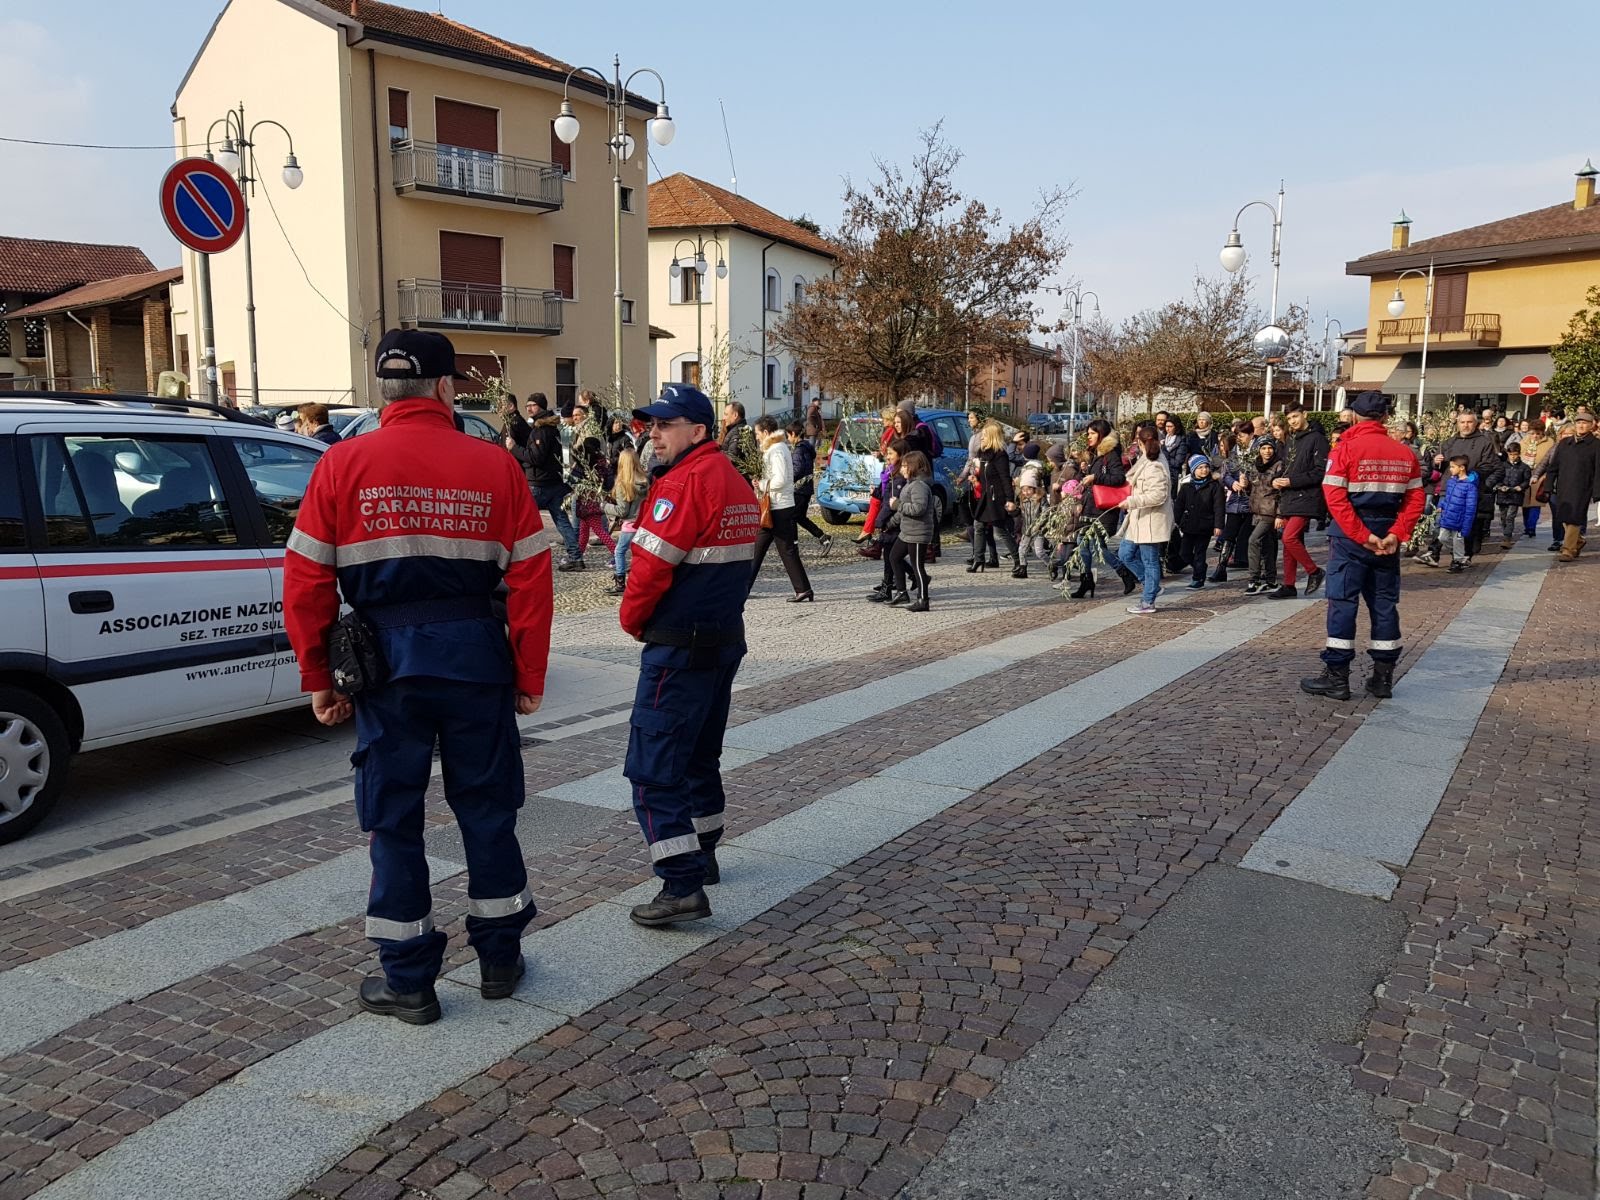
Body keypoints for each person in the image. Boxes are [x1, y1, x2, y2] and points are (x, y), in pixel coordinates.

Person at [283, 329, 553, 1024]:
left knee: (394, 821)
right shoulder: (494, 464)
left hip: (384, 667)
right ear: (444, 388)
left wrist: (319, 675)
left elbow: (306, 580)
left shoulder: (341, 464)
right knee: (488, 808)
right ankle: (499, 959)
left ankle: (408, 980)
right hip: (475, 660)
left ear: (384, 390)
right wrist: (529, 673)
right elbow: (530, 579)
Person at [619, 383, 760, 927]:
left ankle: (681, 884)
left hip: (677, 647)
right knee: (701, 756)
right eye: (651, 425)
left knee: (653, 770)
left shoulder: (681, 484)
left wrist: (633, 621)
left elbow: (649, 569)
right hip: (723, 639)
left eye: (664, 425)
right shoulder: (734, 482)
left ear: (698, 431)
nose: (652, 435)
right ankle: (704, 855)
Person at [1300, 391, 1424, 702]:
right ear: (1384, 418)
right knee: (1384, 605)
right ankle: (1382, 678)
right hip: (1388, 535)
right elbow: (1415, 499)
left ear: (1354, 415)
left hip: (1349, 538)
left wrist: (1361, 534)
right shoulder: (1405, 453)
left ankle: (1337, 678)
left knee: (1343, 603)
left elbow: (1335, 499)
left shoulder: (1343, 450)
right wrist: (1396, 533)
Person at [508, 393, 584, 571]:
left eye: (532, 405)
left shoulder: (541, 430)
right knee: (562, 521)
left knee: (521, 520)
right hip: (554, 482)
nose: (528, 408)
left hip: (539, 484)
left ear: (540, 406)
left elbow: (536, 457)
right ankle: (576, 557)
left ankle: (520, 558)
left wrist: (514, 448)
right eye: (527, 405)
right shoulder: (549, 427)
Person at [748, 414, 814, 601]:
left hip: (777, 506)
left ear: (766, 432)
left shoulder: (776, 450)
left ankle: (802, 589)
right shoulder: (779, 447)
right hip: (779, 505)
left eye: (758, 433)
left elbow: (781, 479)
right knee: (777, 549)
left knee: (767, 548)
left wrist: (761, 484)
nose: (757, 437)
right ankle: (803, 588)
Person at [1071, 420, 1138, 598]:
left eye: (1092, 433)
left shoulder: (1111, 455)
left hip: (1104, 511)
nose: (1089, 436)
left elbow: (1118, 479)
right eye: (1088, 433)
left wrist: (1095, 476)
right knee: (1082, 544)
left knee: (1096, 547)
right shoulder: (1097, 455)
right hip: (1090, 508)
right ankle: (1086, 580)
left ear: (1101, 434)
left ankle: (1124, 572)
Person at [1422, 410, 1501, 562]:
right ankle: (1434, 553)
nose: (1466, 425)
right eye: (1462, 422)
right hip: (1448, 488)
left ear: (1476, 423)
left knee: (1463, 526)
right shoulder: (1449, 442)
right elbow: (1437, 466)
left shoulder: (1484, 443)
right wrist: (1436, 462)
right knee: (1440, 521)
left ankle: (1462, 556)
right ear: (1457, 423)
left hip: (1468, 490)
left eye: (1469, 422)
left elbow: (1488, 466)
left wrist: (1470, 478)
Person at [1271, 404, 1328, 599]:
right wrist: (1277, 479)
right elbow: (1286, 466)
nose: (1293, 421)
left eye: (1295, 416)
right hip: (1289, 495)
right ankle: (1289, 585)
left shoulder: (1318, 439)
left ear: (1305, 414)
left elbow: (1320, 472)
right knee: (1288, 545)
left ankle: (1315, 571)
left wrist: (1292, 481)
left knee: (1289, 537)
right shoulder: (1292, 440)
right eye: (1289, 419)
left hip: (1307, 496)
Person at [1118, 425, 1175, 614]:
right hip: (1138, 518)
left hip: (1151, 519)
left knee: (1150, 560)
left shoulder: (1156, 464)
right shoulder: (1145, 459)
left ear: (1141, 442)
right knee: (1125, 553)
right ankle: (1151, 585)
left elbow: (1158, 495)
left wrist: (1132, 501)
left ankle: (1148, 600)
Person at [884, 449, 937, 611]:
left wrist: (898, 504)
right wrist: (890, 523)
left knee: (917, 566)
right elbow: (903, 512)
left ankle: (923, 600)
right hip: (907, 531)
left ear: (914, 467)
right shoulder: (910, 484)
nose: (902, 469)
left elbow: (918, 509)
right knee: (894, 557)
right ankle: (901, 592)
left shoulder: (920, 486)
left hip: (918, 533)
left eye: (905, 466)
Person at [1545, 407, 1600, 560]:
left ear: (1591, 425)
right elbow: (1553, 466)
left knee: (1574, 517)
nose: (1581, 426)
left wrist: (1597, 491)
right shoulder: (1564, 443)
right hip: (1563, 485)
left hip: (1583, 487)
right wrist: (1549, 485)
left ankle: (1568, 549)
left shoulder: (1596, 445)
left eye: (1585, 423)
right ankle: (1579, 540)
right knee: (1562, 516)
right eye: (1579, 423)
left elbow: (1598, 470)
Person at [968, 420, 1022, 575]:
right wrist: (975, 479)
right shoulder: (983, 454)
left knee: (1000, 530)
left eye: (985, 435)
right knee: (978, 525)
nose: (981, 438)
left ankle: (1018, 559)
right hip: (985, 496)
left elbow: (1005, 478)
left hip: (996, 497)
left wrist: (1009, 499)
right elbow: (983, 475)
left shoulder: (1000, 456)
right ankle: (978, 559)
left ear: (992, 437)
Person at [1174, 454, 1225, 589]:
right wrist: (1176, 521)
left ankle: (1198, 578)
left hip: (1205, 525)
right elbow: (1179, 506)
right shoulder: (1187, 487)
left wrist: (1218, 525)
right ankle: (1199, 567)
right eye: (1200, 467)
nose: (1204, 470)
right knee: (1184, 553)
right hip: (1189, 525)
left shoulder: (1214, 486)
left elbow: (1219, 507)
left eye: (1206, 467)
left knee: (1200, 553)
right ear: (1193, 470)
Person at [603, 445, 648, 596]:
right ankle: (640, 582)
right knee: (640, 554)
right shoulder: (645, 481)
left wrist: (605, 506)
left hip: (630, 524)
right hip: (644, 524)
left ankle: (620, 582)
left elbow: (623, 511)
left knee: (620, 551)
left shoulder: (624, 484)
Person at [1212, 425, 1254, 581]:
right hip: (1235, 501)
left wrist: (1249, 482)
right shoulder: (1234, 453)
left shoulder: (1256, 450)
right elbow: (1226, 474)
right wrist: (1232, 483)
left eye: (1243, 435)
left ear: (1250, 435)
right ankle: (1221, 567)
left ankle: (1254, 566)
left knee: (1250, 536)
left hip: (1251, 501)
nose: (1240, 439)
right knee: (1229, 534)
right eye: (1238, 436)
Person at [1244, 438, 1285, 596]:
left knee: (1253, 540)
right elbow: (1253, 489)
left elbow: (1282, 493)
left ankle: (1253, 579)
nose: (1267, 451)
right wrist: (1246, 485)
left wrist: (1280, 514)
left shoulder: (1279, 465)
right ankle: (1271, 580)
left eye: (1270, 448)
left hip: (1270, 511)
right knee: (1267, 546)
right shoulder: (1254, 465)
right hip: (1256, 511)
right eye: (1264, 448)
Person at [786, 420, 832, 551]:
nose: (788, 440)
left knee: (792, 517)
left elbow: (798, 469)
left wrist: (788, 479)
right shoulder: (806, 447)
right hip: (806, 489)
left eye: (788, 436)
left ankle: (793, 545)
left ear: (794, 434)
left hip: (799, 489)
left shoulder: (799, 450)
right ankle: (823, 537)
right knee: (800, 517)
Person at [1435, 456, 1479, 572]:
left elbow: (1471, 508)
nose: (1450, 469)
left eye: (1453, 467)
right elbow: (1448, 498)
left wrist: (1467, 525)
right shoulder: (1451, 482)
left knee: (1458, 540)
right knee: (1442, 537)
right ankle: (1456, 553)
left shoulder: (1470, 487)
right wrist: (1442, 506)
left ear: (1461, 468)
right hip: (1448, 517)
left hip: (1460, 520)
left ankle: (1457, 561)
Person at [1493, 443, 1532, 551]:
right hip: (1503, 494)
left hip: (1515, 495)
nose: (1513, 457)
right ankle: (1506, 534)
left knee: (1510, 516)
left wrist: (1521, 486)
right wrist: (1500, 486)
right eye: (1511, 454)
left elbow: (1527, 480)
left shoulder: (1524, 467)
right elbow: (1497, 477)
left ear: (1519, 454)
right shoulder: (1502, 466)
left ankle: (1507, 538)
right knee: (1503, 517)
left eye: (1515, 454)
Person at [720, 400, 757, 480]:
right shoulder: (735, 430)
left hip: (737, 480)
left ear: (735, 415)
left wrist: (717, 454)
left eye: (726, 414)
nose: (723, 418)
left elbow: (733, 458)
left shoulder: (738, 432)